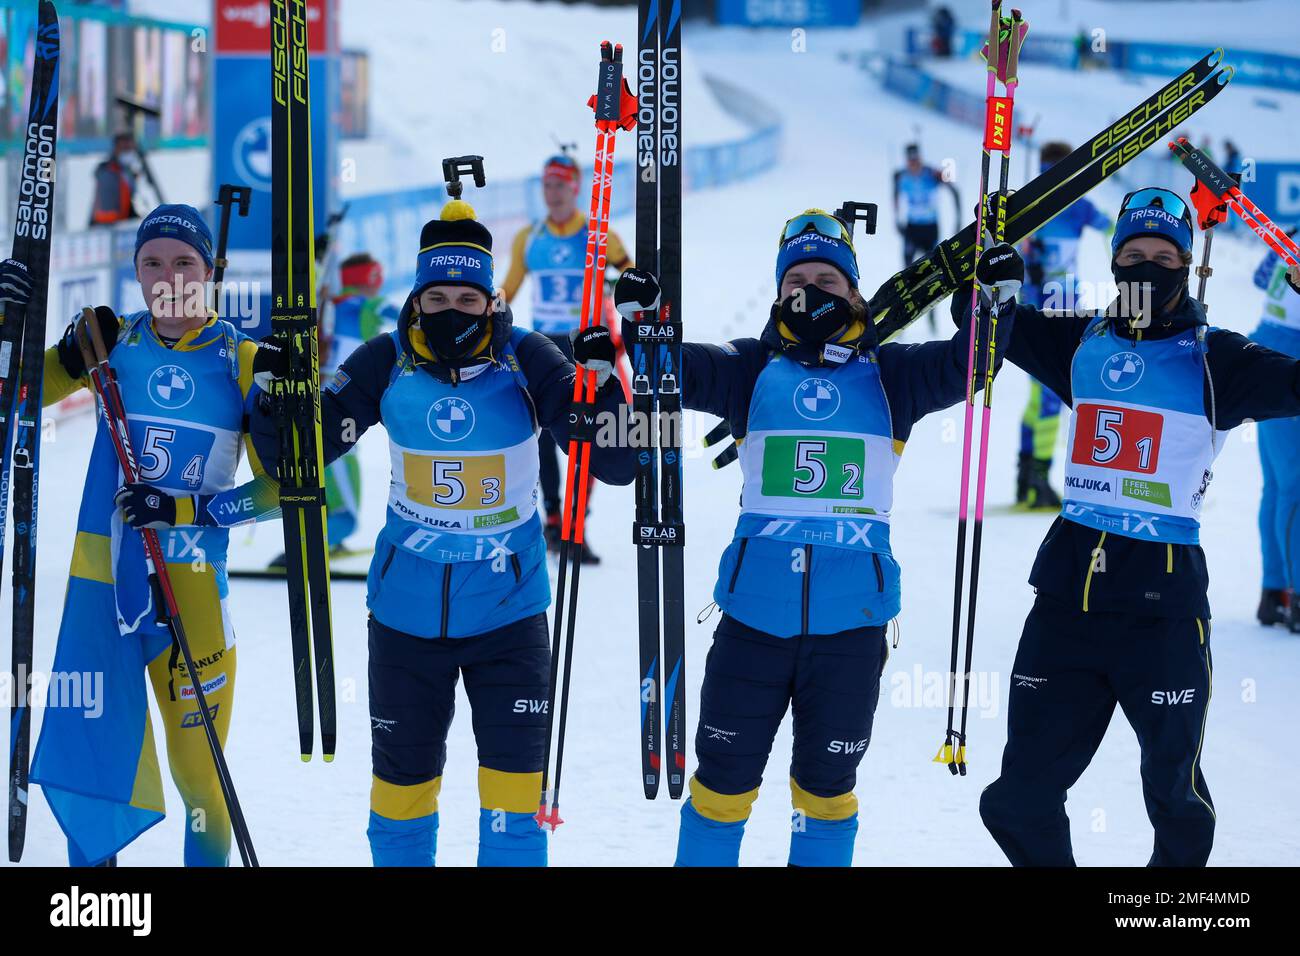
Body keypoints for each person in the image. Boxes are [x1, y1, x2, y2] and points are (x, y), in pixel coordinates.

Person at [615, 209, 1014, 867]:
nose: (812, 289)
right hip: (752, 624)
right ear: (778, 293)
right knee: (720, 789)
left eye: (828, 277)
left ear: (856, 290)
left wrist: (989, 298)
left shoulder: (893, 375)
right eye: (796, 277)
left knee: (825, 795)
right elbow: (675, 367)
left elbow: (970, 363)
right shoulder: (750, 369)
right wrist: (641, 320)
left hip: (850, 632)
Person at [252, 197, 636, 867]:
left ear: (491, 299)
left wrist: (602, 389)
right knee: (401, 805)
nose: (452, 309)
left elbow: (618, 462)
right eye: (437, 295)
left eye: (467, 295)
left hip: (509, 618)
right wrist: (273, 395)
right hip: (404, 620)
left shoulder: (529, 357)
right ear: (417, 297)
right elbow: (295, 458)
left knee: (514, 816)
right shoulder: (386, 359)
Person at [977, 188, 1300, 866]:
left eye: (1163, 257)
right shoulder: (1081, 339)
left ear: (1185, 265)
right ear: (1114, 260)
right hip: (1067, 600)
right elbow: (985, 331)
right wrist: (993, 282)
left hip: (1164, 611)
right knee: (1018, 795)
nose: (1147, 269)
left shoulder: (1219, 361)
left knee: (1174, 795)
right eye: (1133, 255)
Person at [10, 204, 285, 866]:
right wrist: (6, 327)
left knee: (199, 783)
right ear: (134, 271)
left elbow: (287, 495)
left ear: (211, 270)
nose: (169, 277)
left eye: (184, 262)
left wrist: (186, 512)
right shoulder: (109, 345)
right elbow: (12, 394)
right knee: (97, 767)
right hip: (105, 591)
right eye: (152, 262)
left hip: (191, 598)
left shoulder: (241, 361)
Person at [501, 152, 633, 562]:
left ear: (575, 187)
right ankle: (553, 518)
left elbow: (635, 283)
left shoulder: (598, 235)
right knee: (539, 438)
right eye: (546, 185)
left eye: (559, 185)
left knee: (582, 439)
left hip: (586, 346)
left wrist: (626, 332)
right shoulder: (530, 237)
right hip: (543, 345)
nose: (552, 193)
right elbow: (508, 290)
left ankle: (576, 525)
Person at [1016, 141, 1111, 509]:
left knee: (1042, 395)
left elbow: (1112, 228)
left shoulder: (1075, 204)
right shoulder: (1040, 205)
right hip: (1046, 303)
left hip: (1061, 303)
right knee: (1050, 395)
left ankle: (1028, 476)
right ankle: (1037, 477)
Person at [1248, 230, 1300, 629]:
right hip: (1289, 357)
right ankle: (1291, 595)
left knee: (1281, 485)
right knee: (1293, 487)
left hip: (1268, 350)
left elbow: (1262, 277)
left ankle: (1276, 592)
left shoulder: (1292, 231)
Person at [893, 144, 959, 332]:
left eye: (916, 160)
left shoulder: (931, 173)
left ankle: (931, 317)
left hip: (930, 230)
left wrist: (958, 218)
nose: (914, 164)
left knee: (932, 275)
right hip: (912, 229)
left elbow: (954, 191)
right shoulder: (901, 176)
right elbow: (895, 196)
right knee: (905, 276)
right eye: (910, 160)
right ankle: (899, 318)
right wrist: (897, 220)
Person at [89, 131, 141, 226]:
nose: (129, 153)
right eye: (125, 149)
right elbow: (107, 207)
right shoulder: (107, 171)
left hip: (121, 226)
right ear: (116, 149)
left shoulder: (127, 171)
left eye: (130, 149)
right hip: (105, 227)